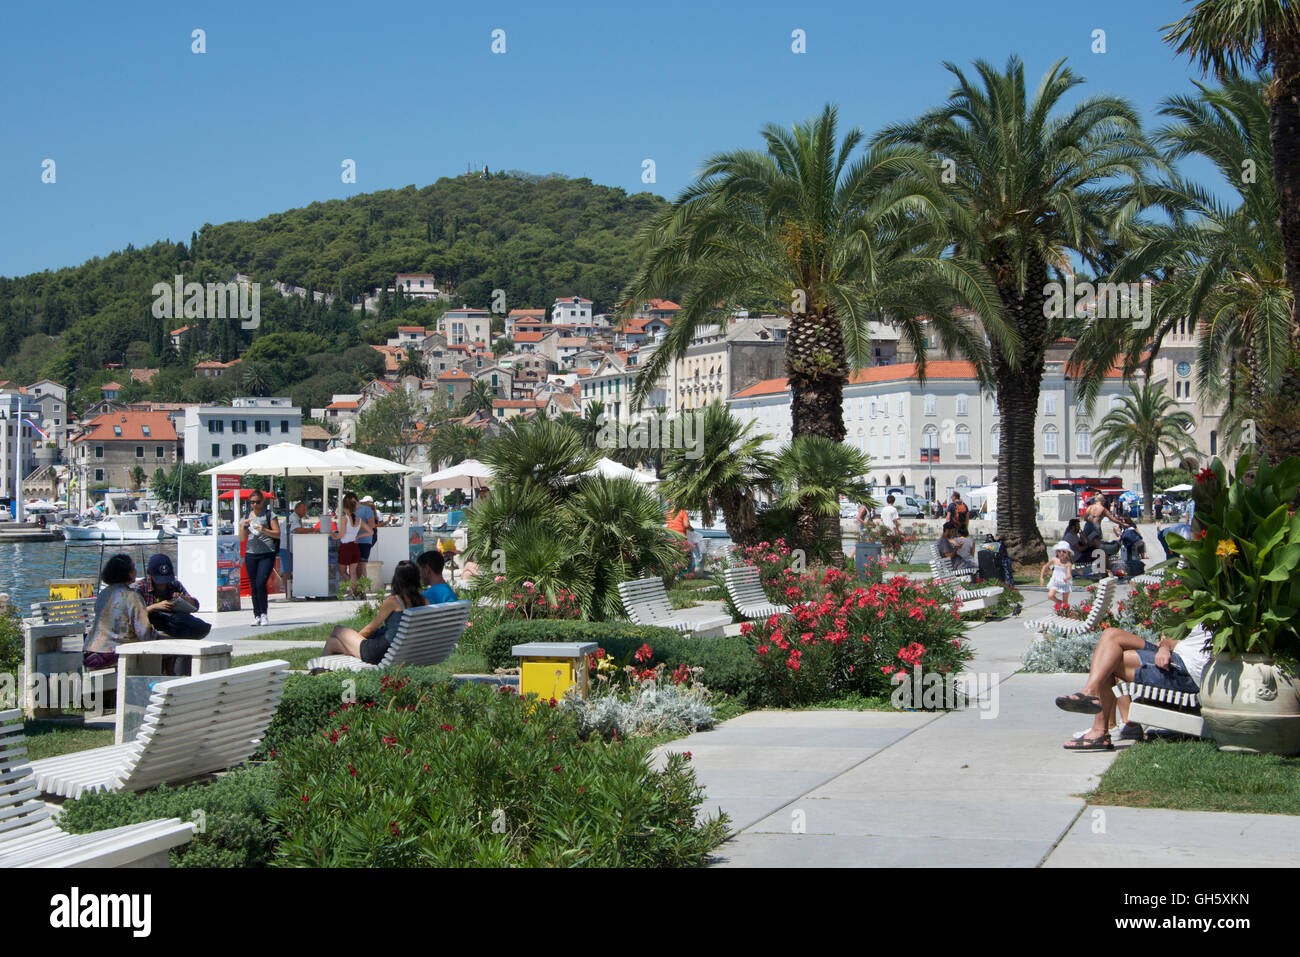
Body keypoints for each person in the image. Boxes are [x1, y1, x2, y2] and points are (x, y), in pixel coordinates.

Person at [1054, 625, 1211, 750]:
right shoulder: (1206, 611)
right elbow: (1173, 642)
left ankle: (1098, 727)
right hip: (1173, 656)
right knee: (1111, 634)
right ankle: (1091, 695)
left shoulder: (1227, 617)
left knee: (1109, 661)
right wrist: (1164, 648)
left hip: (1185, 671)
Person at [318, 560, 428, 666]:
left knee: (338, 630)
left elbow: (371, 628)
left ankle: (318, 673)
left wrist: (354, 640)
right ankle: (319, 671)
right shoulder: (424, 601)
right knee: (332, 643)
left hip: (381, 652)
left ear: (397, 579)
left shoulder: (394, 601)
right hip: (406, 651)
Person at [83, 553, 158, 671]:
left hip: (90, 651)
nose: (136, 571)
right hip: (111, 654)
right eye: (133, 568)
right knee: (159, 653)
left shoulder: (103, 594)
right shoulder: (132, 596)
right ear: (127, 573)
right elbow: (144, 633)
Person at [134, 553, 210, 638]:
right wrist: (155, 607)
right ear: (150, 575)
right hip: (150, 621)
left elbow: (195, 606)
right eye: (159, 581)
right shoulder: (139, 587)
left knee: (201, 627)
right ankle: (161, 635)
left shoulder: (174, 584)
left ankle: (168, 636)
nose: (163, 584)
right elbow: (133, 615)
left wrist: (184, 599)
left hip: (171, 620)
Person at [240, 491, 280, 627]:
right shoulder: (246, 516)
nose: (255, 505)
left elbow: (277, 534)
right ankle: (256, 614)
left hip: (266, 553)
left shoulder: (269, 515)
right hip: (251, 554)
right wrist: (244, 527)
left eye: (257, 502)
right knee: (253, 585)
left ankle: (264, 614)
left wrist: (264, 529)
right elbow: (242, 538)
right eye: (252, 502)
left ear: (263, 502)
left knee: (260, 583)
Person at [330, 492, 368, 597]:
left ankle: (352, 590)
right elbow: (371, 531)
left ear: (345, 507)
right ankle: (354, 592)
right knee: (353, 572)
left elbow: (341, 534)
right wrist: (358, 537)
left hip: (346, 547)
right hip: (355, 547)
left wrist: (333, 535)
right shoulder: (358, 519)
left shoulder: (344, 518)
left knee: (342, 571)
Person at [1040, 541, 1074, 606]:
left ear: (1067, 553)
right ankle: (1058, 602)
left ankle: (1066, 611)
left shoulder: (1068, 563)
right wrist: (1041, 577)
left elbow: (1069, 574)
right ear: (1057, 552)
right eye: (1059, 551)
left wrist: (1067, 578)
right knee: (1050, 595)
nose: (1061, 553)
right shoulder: (1054, 560)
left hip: (1064, 582)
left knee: (1065, 601)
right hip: (1055, 580)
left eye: (1064, 551)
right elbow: (1045, 567)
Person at [355, 495, 380, 564]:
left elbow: (370, 526)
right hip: (368, 539)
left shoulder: (367, 512)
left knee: (360, 563)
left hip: (365, 539)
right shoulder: (374, 512)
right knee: (362, 563)